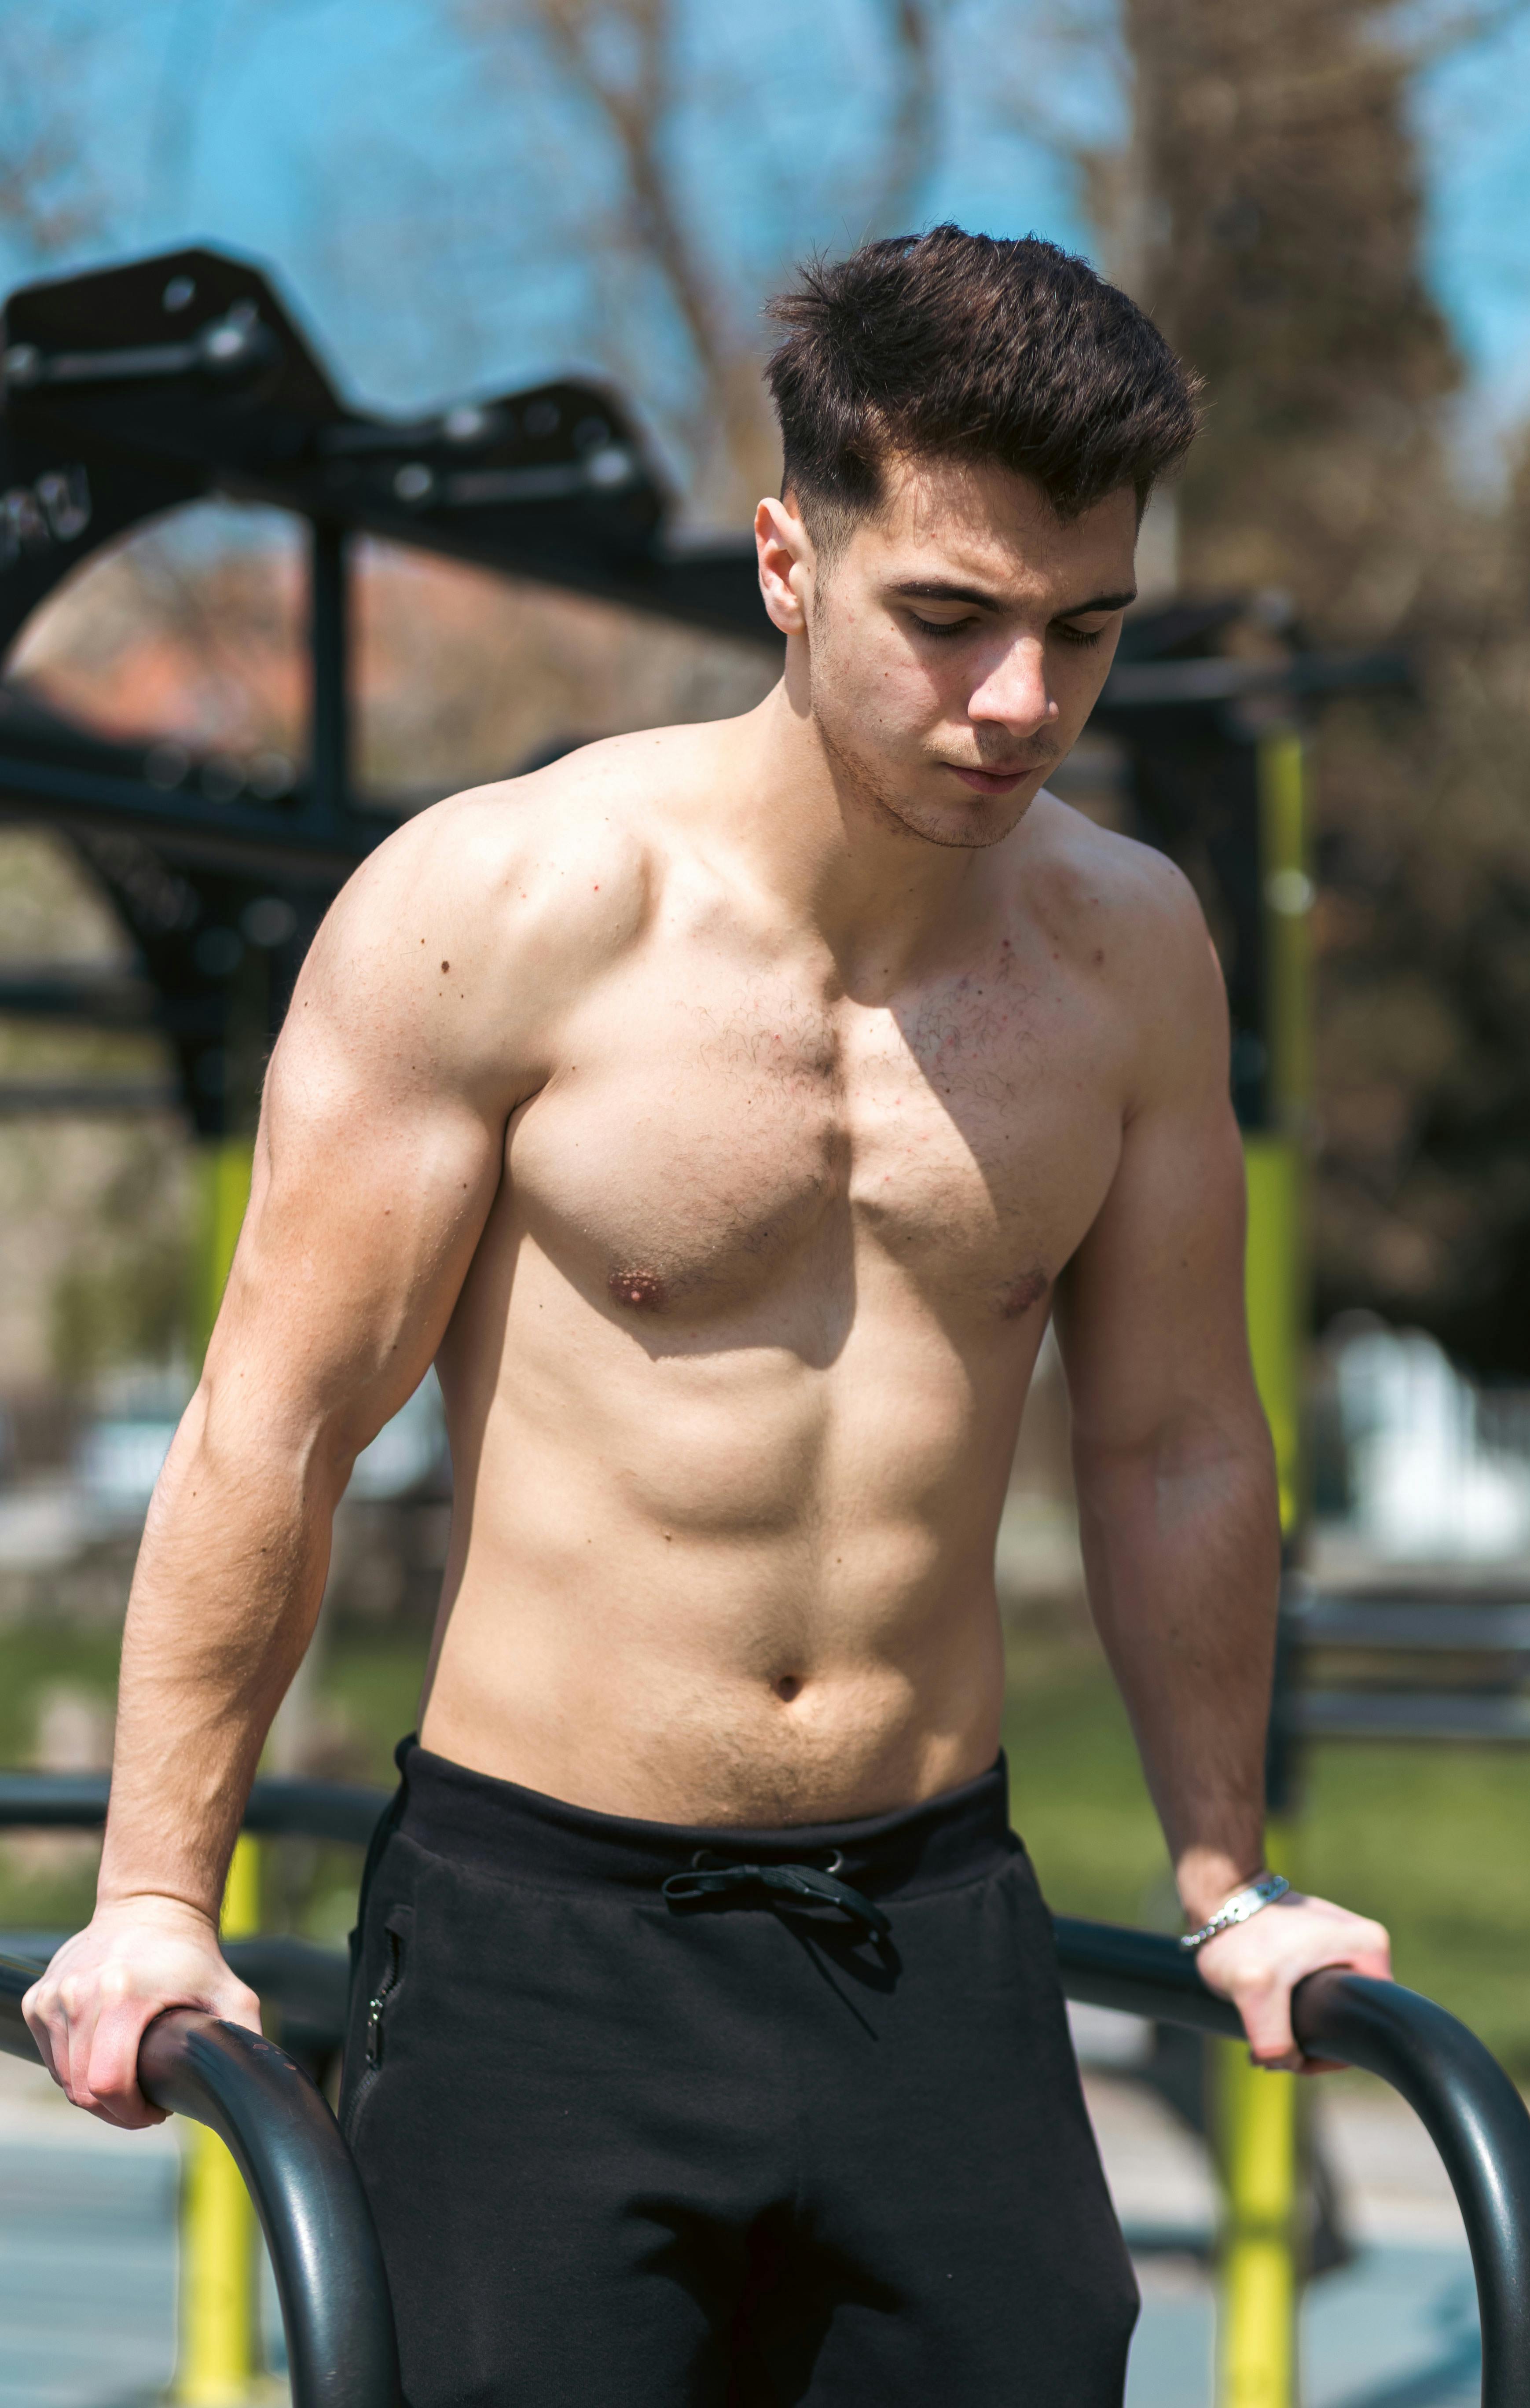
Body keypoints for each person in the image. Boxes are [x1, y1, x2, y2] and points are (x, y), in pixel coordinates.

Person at [26, 226, 1389, 2404]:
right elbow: (270, 1424)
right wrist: (157, 1894)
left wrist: (1233, 1885)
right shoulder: (501, 909)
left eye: (1083, 631)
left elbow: (1178, 1445)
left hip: (937, 1940)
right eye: (948, 620)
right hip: (543, 1953)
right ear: (786, 558)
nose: (1022, 701)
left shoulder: (1134, 955)